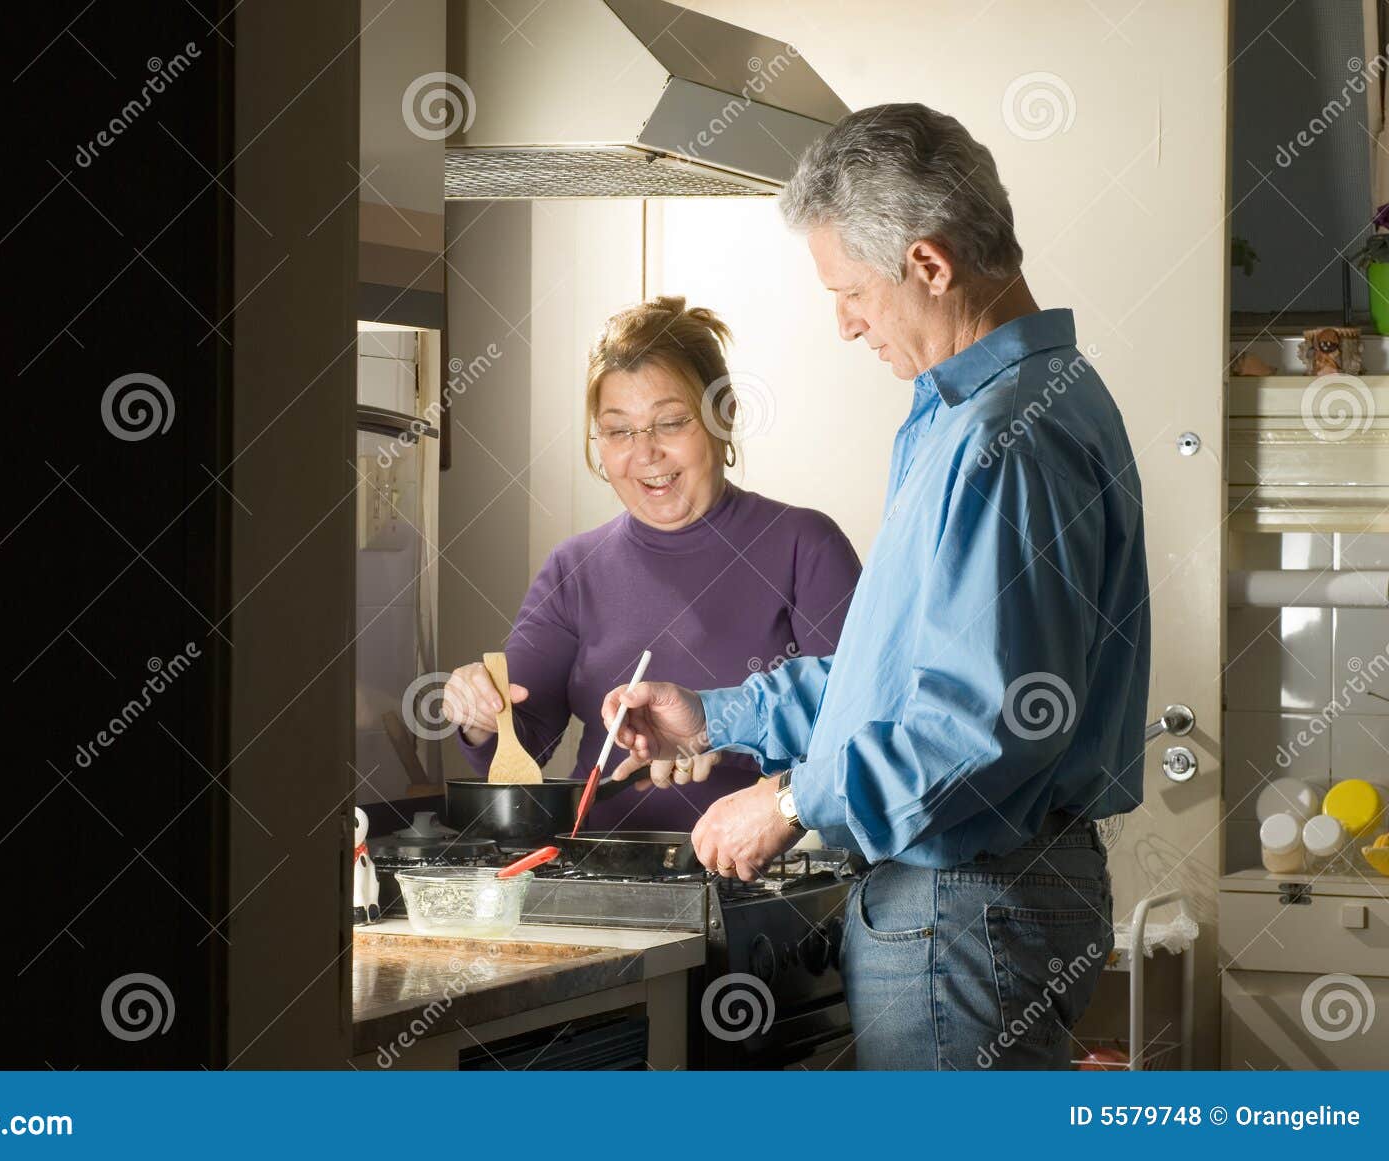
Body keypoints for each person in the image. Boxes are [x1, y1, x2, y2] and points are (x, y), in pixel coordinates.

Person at [601, 104, 1150, 1069]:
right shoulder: (987, 412)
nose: (846, 323)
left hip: (966, 900)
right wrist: (714, 716)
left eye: (851, 291)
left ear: (928, 264)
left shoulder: (1001, 440)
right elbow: (895, 678)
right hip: (974, 905)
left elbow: (982, 722)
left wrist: (790, 803)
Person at [443, 295, 861, 831]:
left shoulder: (806, 545)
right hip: (599, 860)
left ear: (725, 416)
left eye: (671, 422)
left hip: (765, 863)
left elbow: (857, 724)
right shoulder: (574, 567)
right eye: (619, 431)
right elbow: (520, 748)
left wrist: (729, 734)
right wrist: (480, 714)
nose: (645, 454)